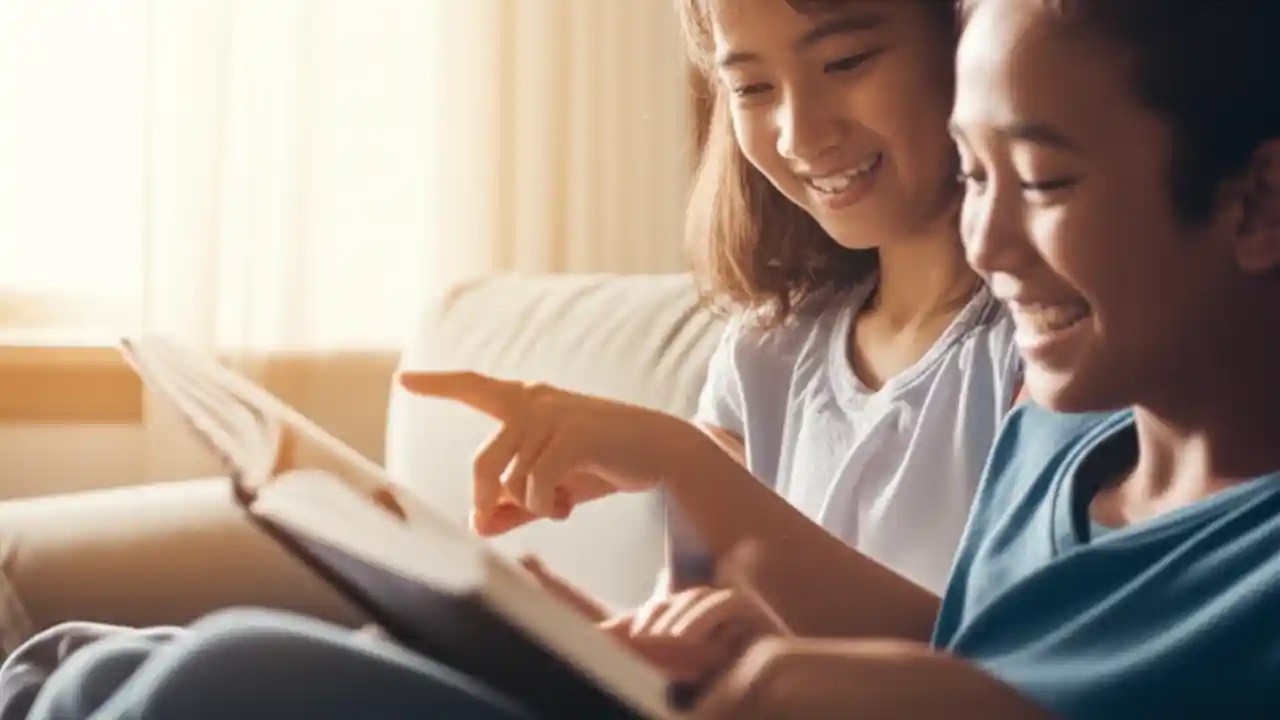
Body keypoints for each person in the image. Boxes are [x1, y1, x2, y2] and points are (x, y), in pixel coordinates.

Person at [21, 0, 1280, 717]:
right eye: (977, 168)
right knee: (94, 667)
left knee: (222, 680)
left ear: (1253, 204)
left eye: (1042, 181)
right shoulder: (1053, 442)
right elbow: (953, 653)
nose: (986, 232)